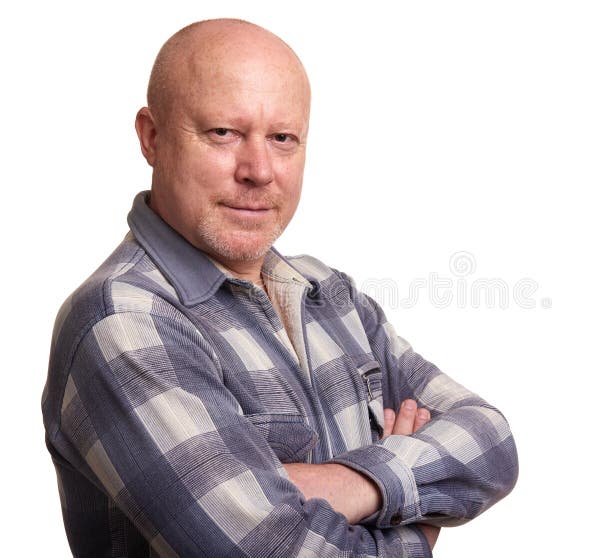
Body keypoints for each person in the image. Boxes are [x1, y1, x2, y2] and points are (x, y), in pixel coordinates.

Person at [42, 18, 518, 557]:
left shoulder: (328, 294)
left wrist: (357, 483)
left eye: (282, 138)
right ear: (152, 137)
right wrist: (416, 526)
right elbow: (274, 551)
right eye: (224, 132)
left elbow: (493, 444)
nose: (259, 170)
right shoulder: (124, 323)